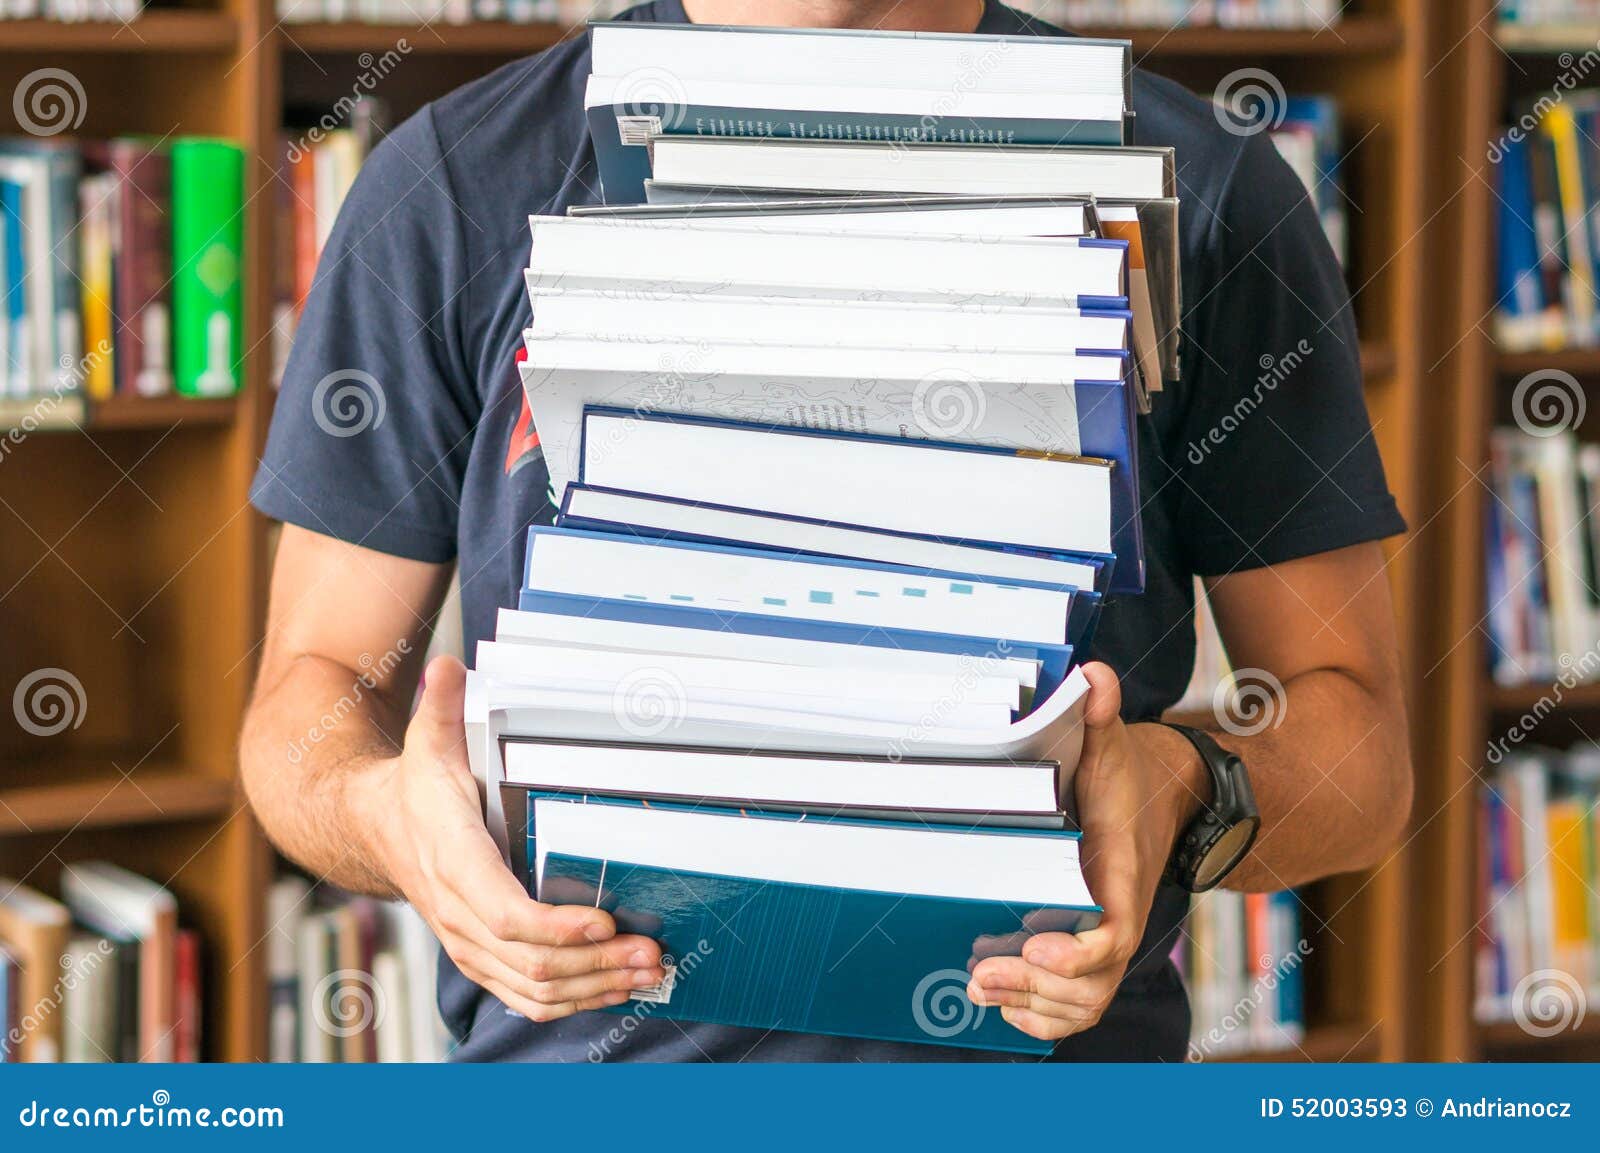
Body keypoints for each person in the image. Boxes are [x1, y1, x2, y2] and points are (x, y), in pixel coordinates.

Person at [241, 0, 1413, 1061]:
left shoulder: (1207, 189)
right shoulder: (452, 184)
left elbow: (1358, 751)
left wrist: (1181, 784)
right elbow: (309, 693)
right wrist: (386, 816)